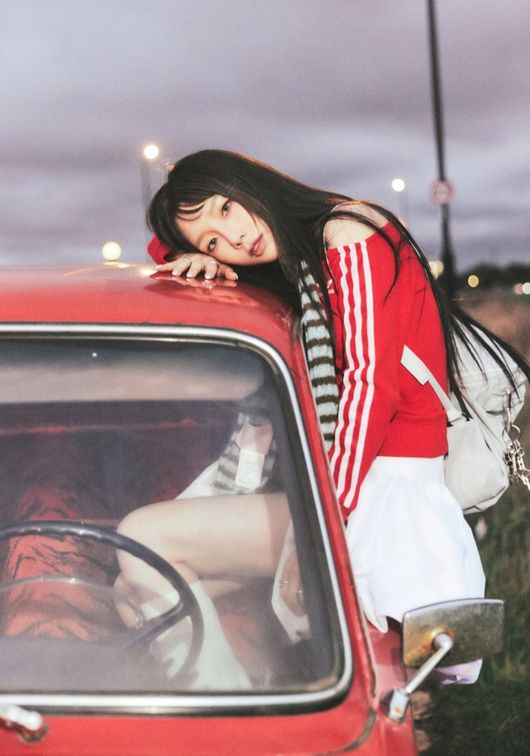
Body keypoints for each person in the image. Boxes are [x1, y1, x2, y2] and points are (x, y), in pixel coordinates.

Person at [116, 149, 530, 686]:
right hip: (351, 480)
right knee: (134, 593)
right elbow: (164, 251)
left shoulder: (350, 233)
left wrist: (322, 524)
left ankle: (230, 703)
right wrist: (197, 259)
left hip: (378, 486)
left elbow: (368, 384)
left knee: (143, 536)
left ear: (248, 182)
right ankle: (244, 692)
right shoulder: (302, 261)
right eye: (212, 242)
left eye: (226, 208)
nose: (233, 237)